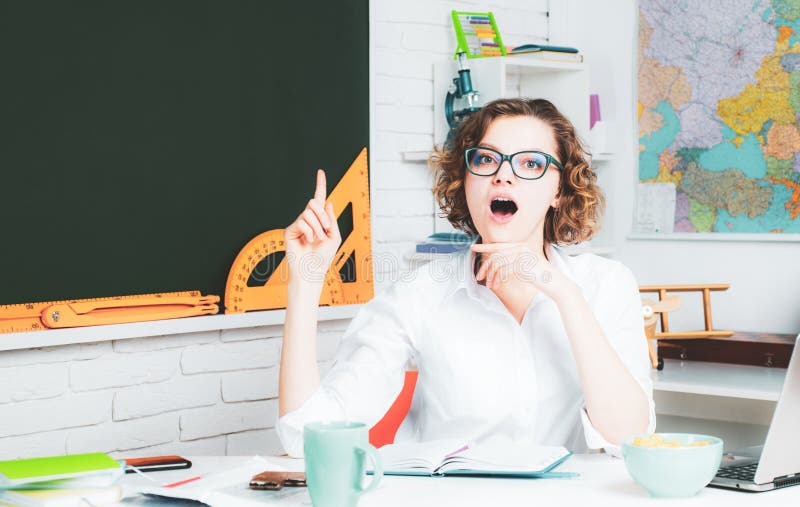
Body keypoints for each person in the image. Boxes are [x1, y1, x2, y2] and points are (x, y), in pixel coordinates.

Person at [276, 98, 655, 458]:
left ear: (558, 190)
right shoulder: (418, 295)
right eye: (487, 159)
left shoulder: (605, 285)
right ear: (466, 180)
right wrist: (305, 283)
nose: (503, 175)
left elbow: (630, 436)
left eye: (530, 164)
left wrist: (562, 293)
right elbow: (307, 435)